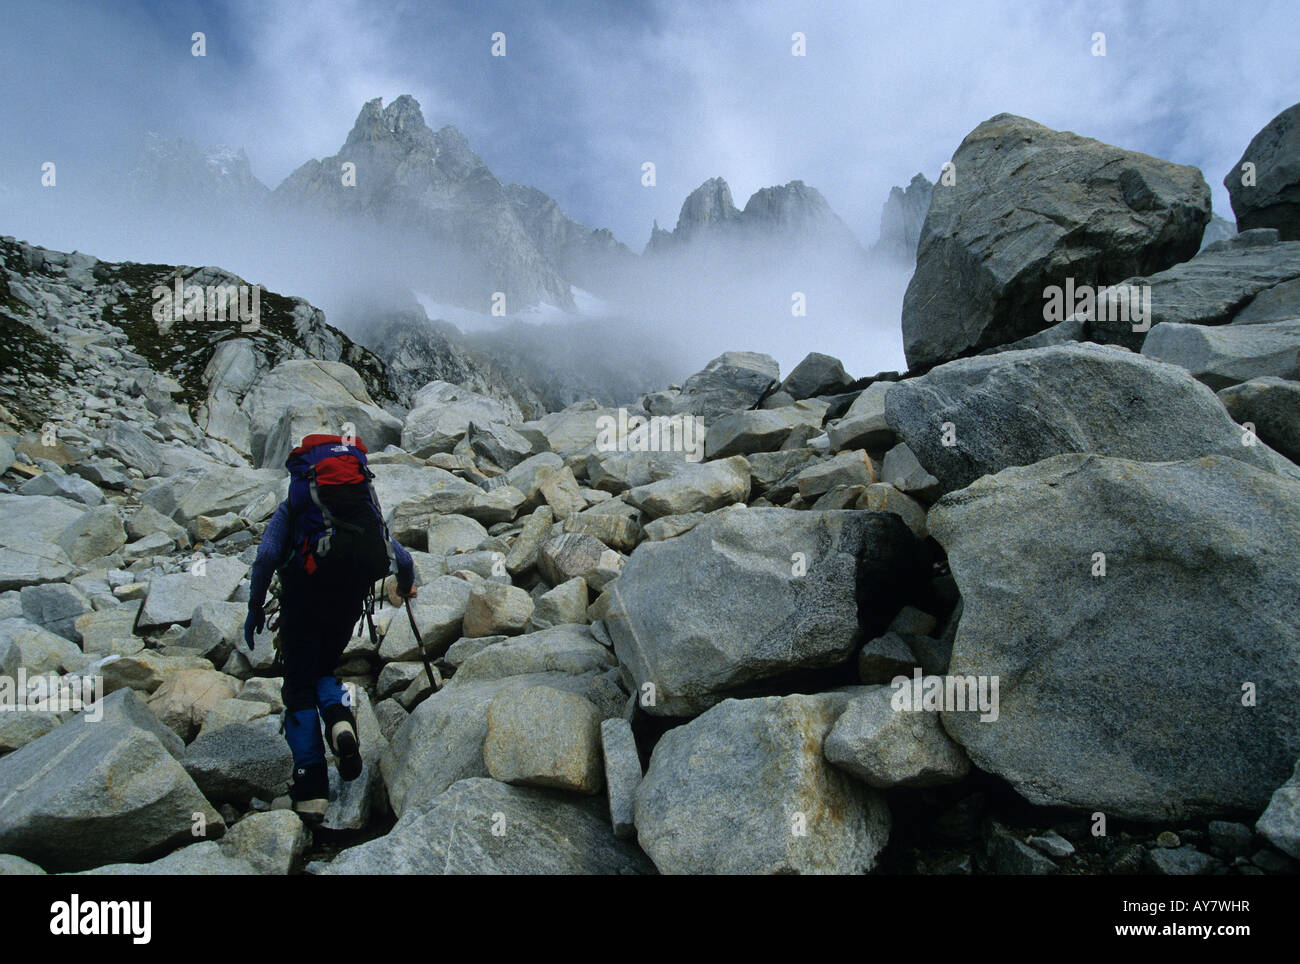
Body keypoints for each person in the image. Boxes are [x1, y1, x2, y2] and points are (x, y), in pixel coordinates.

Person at [243, 434, 417, 821]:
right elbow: (400, 557)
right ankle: (340, 724)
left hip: (302, 604)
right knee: (323, 669)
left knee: (298, 687)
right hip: (347, 605)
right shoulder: (362, 506)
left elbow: (268, 555)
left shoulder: (295, 506)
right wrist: (405, 587)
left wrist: (255, 607)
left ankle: (311, 789)